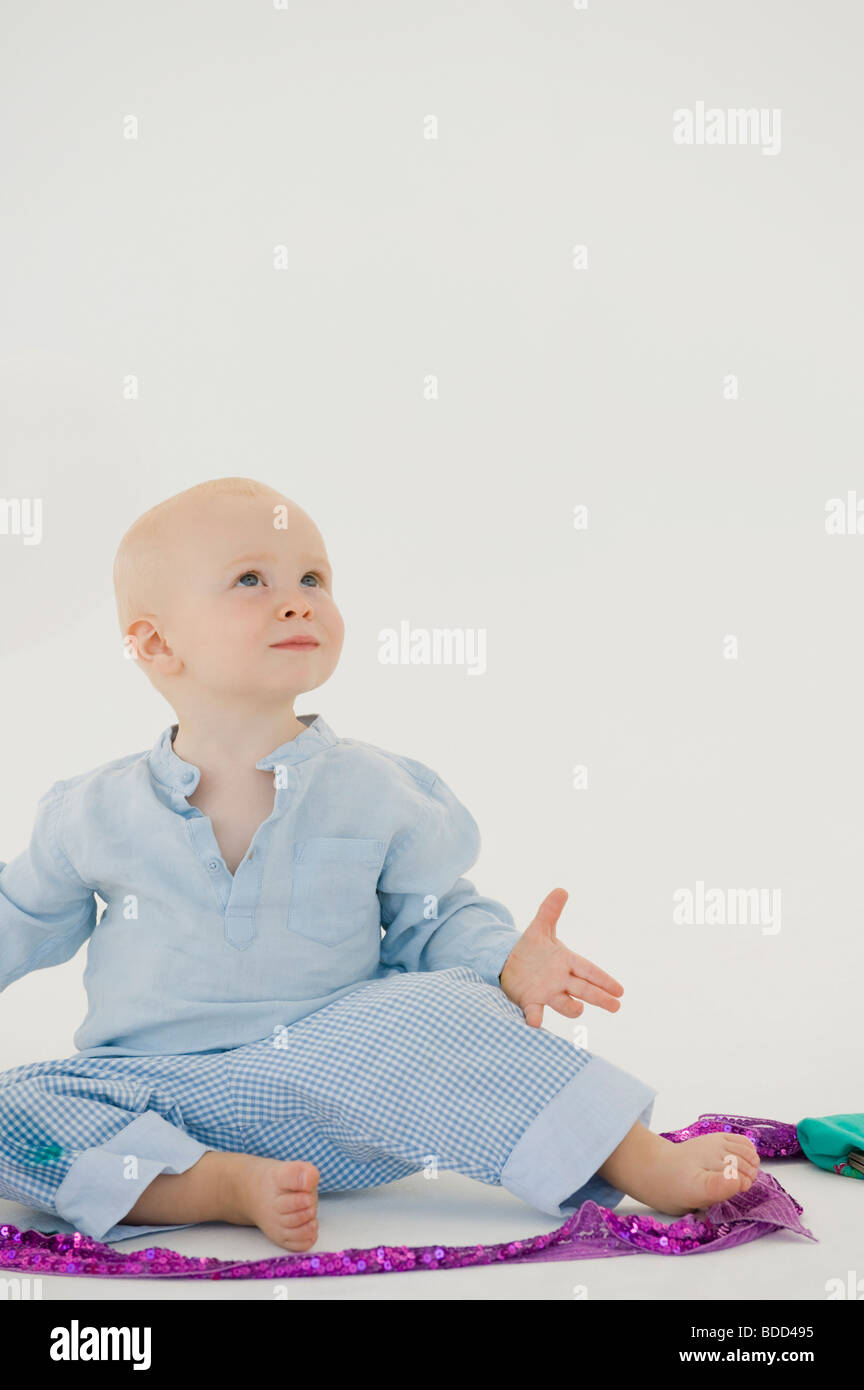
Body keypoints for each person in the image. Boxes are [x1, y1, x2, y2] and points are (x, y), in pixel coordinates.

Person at [0, 477, 759, 1250]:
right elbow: (16, 917)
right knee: (11, 1112)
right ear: (156, 643)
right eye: (251, 580)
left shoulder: (375, 788)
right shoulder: (90, 812)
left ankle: (635, 1158)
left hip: (343, 1082)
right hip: (153, 1094)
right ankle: (215, 1185)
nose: (296, 601)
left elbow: (434, 915)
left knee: (445, 1006)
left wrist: (505, 960)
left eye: (313, 580)